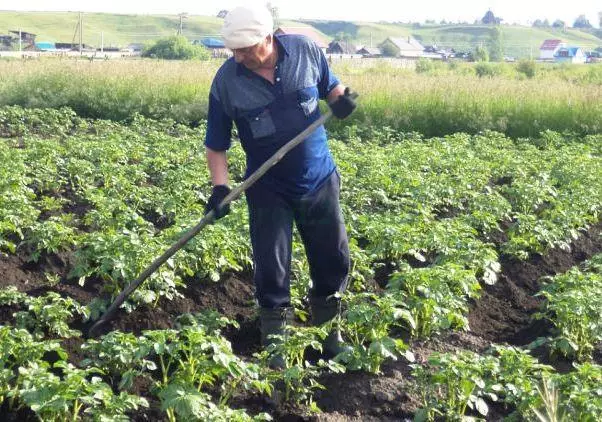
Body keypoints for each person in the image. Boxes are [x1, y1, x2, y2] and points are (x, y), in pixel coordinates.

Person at [204, 4, 356, 367]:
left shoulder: (305, 51)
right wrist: (220, 188)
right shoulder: (227, 82)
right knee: (272, 268)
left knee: (333, 258)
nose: (238, 57)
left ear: (268, 38)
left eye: (245, 49)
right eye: (233, 50)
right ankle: (277, 348)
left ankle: (329, 339)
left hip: (318, 179)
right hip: (268, 187)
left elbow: (331, 86)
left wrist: (342, 100)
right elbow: (216, 144)